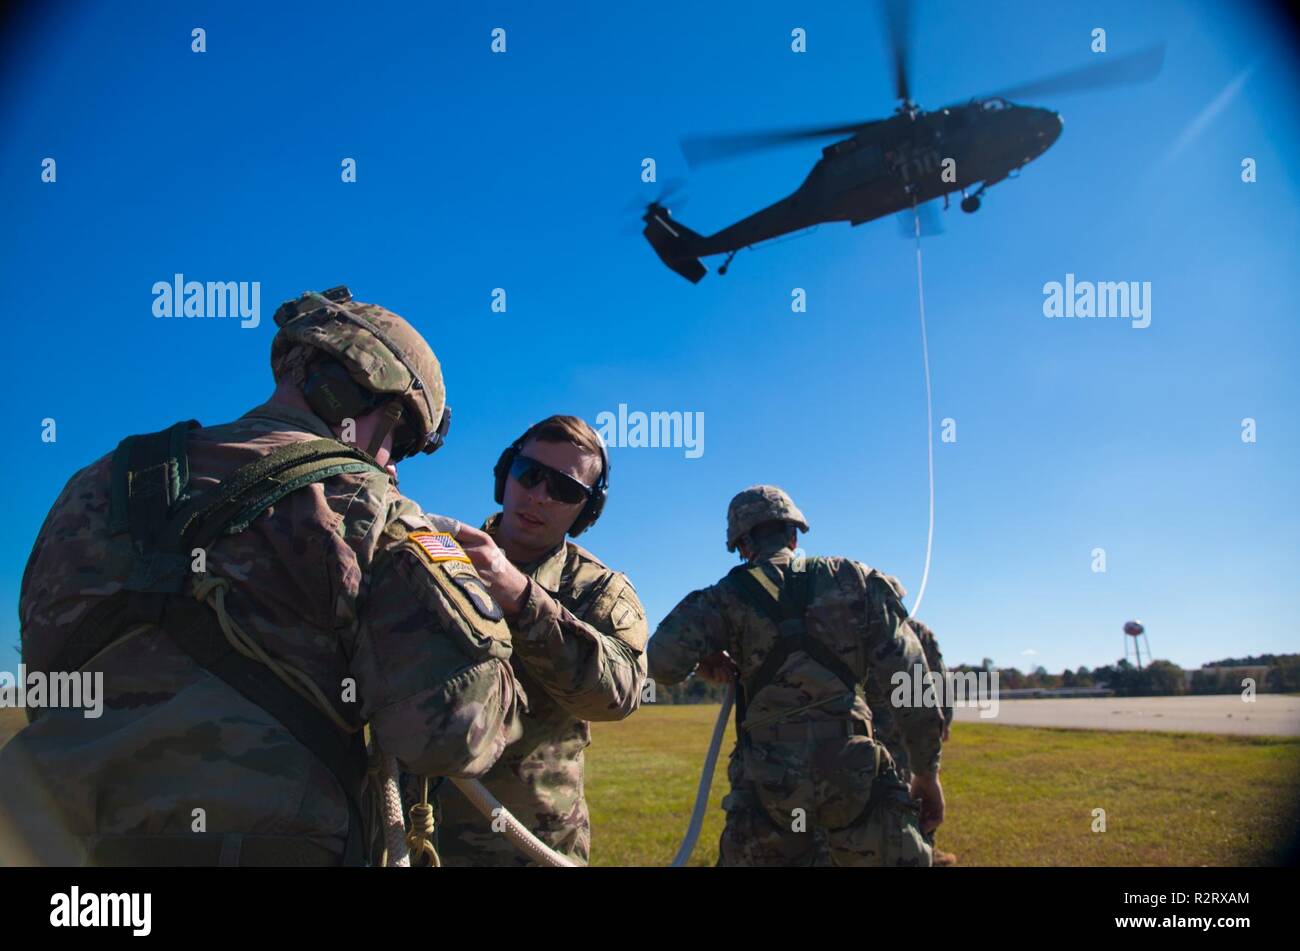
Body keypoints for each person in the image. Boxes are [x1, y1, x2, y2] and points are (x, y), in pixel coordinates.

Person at [0, 286, 522, 866]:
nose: (393, 464)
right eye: (399, 439)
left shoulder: (96, 484)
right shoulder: (369, 506)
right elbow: (452, 731)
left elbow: (46, 670)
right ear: (375, 396)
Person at [647, 485, 944, 866]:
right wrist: (926, 772)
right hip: (853, 773)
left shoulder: (723, 598)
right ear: (793, 534)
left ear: (741, 545)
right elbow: (912, 681)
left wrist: (706, 660)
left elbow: (660, 661)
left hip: (769, 784)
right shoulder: (854, 580)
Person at [430, 415, 647, 865]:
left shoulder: (601, 591)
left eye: (564, 490)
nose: (539, 496)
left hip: (529, 845)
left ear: (585, 512)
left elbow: (619, 695)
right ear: (505, 474)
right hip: (419, 833)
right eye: (529, 475)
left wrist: (523, 599)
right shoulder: (437, 553)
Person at [868, 618, 958, 866]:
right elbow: (938, 683)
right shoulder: (914, 631)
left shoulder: (837, 615)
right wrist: (942, 724)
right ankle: (921, 849)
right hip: (903, 738)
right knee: (913, 803)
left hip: (859, 735)